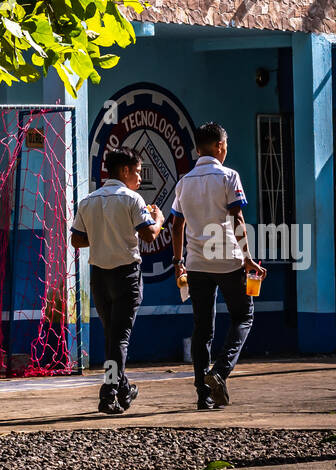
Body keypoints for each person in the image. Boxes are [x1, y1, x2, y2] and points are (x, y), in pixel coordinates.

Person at [170, 123, 265, 409]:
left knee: (202, 328)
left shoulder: (184, 182)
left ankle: (204, 396)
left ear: (198, 149)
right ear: (221, 147)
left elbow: (176, 226)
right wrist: (247, 256)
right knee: (243, 316)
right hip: (229, 260)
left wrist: (178, 263)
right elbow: (237, 219)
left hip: (197, 263)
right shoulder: (229, 176)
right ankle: (220, 372)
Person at [71, 147, 166, 414]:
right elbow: (149, 235)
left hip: (100, 277)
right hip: (126, 275)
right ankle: (109, 390)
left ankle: (123, 387)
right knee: (120, 338)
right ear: (124, 171)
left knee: (112, 336)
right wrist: (158, 219)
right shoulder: (132, 199)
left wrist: (102, 237)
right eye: (137, 171)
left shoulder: (88, 200)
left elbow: (76, 239)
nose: (138, 177)